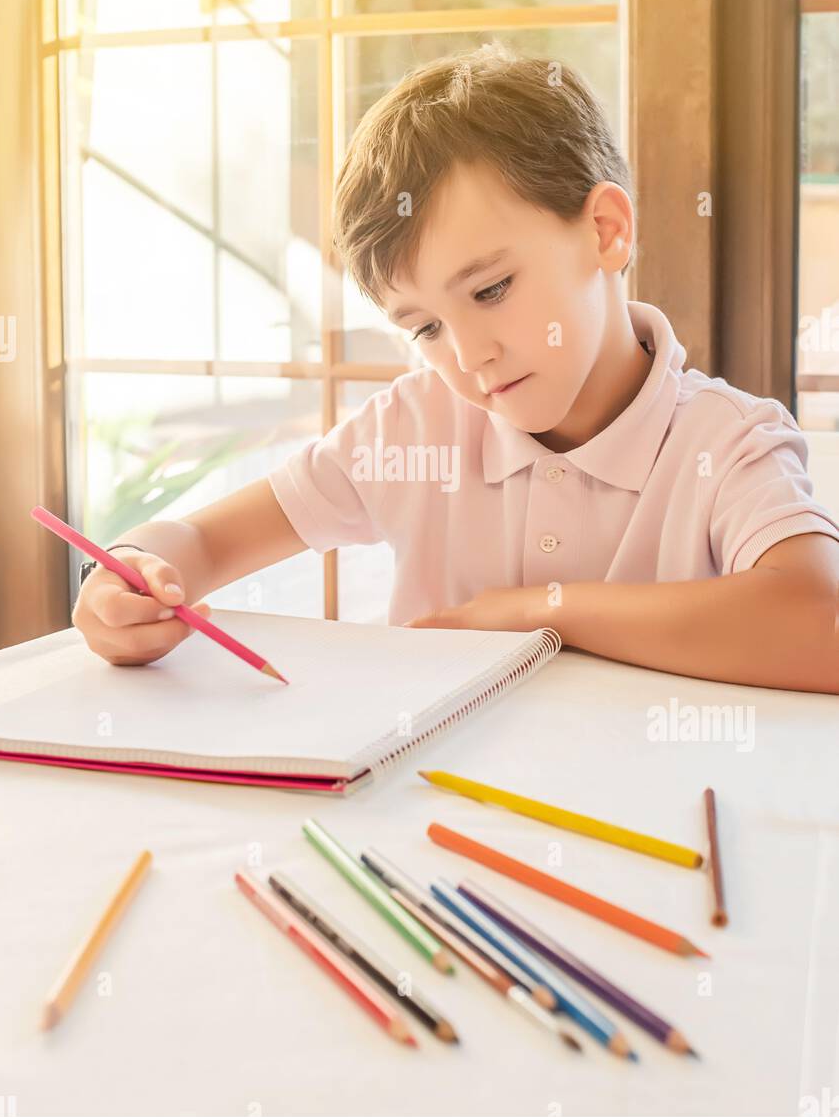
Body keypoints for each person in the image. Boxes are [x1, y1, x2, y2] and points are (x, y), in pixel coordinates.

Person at [71, 45, 839, 693]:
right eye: (425, 326)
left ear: (604, 231)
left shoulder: (726, 441)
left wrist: (537, 609)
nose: (469, 358)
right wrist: (132, 574)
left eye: (492, 290)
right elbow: (201, 546)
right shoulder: (414, 427)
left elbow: (819, 624)